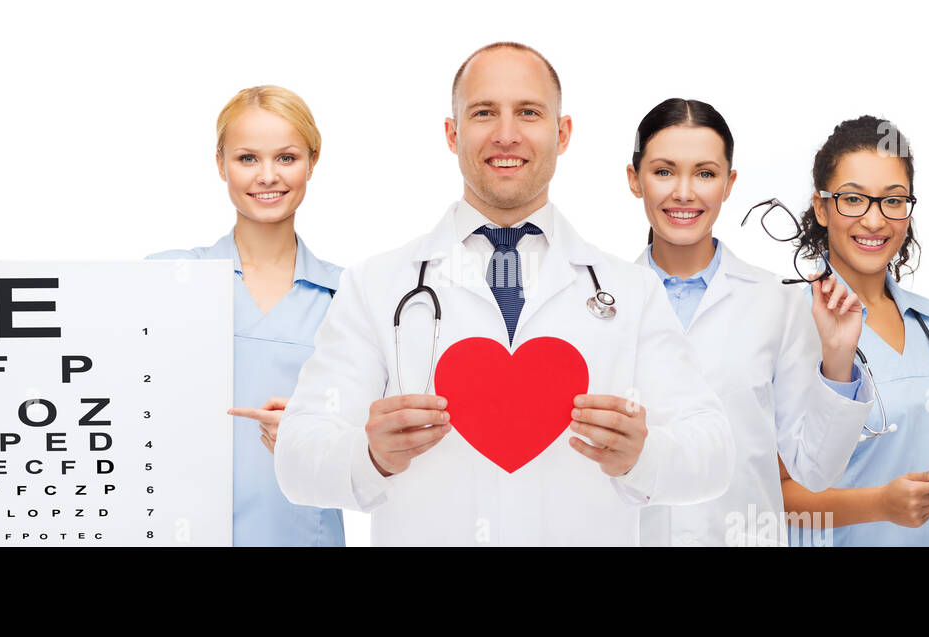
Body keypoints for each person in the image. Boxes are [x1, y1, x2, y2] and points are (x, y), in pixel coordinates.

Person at [273, 42, 734, 546]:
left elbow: (712, 454)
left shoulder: (631, 291)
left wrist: (645, 457)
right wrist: (369, 456)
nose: (506, 135)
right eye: (484, 112)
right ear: (452, 134)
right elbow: (296, 458)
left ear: (562, 133)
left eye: (529, 113)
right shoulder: (376, 285)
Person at [0, 85, 346, 547]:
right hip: (171, 527)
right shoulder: (167, 279)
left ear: (312, 162)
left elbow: (377, 444)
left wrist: (316, 437)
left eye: (286, 157)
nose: (267, 175)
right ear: (220, 165)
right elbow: (55, 372)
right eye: (247, 158)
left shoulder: (348, 297)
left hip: (300, 534)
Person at [625, 98, 875, 547]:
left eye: (705, 173)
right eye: (663, 171)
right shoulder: (602, 302)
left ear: (728, 183)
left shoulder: (775, 303)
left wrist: (838, 361)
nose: (684, 192)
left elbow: (814, 468)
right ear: (634, 179)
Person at [779, 115, 929, 546]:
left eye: (893, 201)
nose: (875, 221)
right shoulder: (785, 325)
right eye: (853, 199)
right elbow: (775, 496)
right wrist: (881, 505)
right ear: (821, 208)